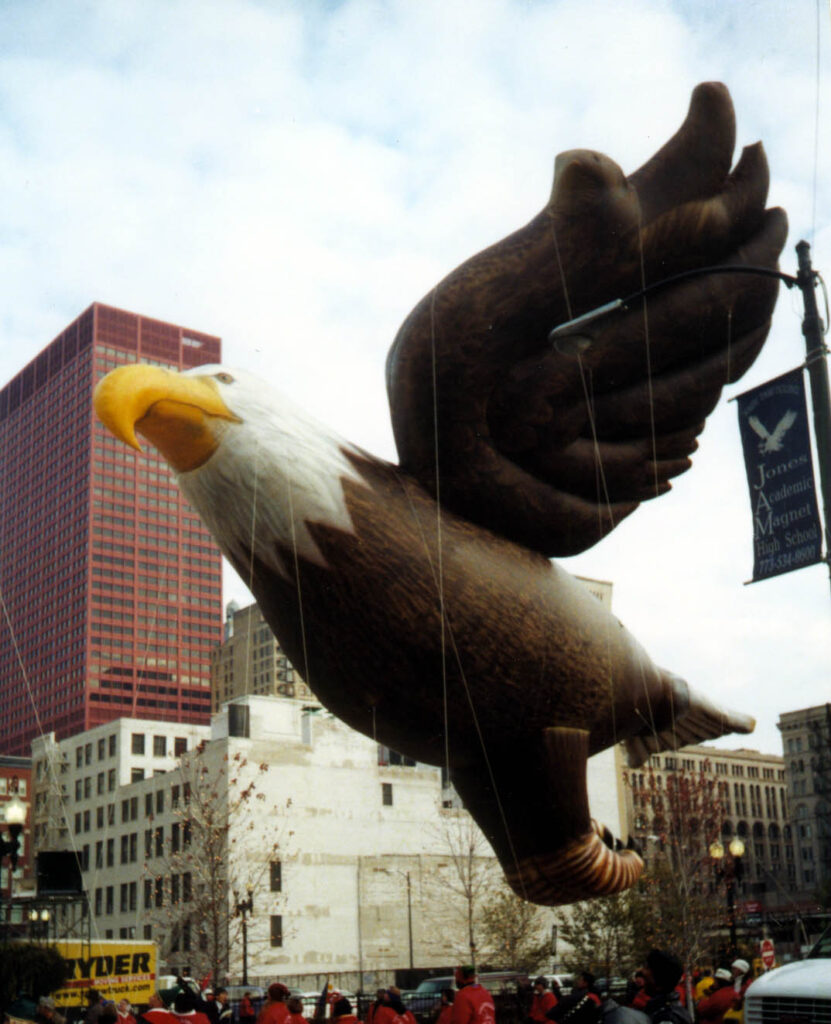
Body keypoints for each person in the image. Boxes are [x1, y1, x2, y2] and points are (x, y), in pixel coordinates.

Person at [640, 952, 691, 1024]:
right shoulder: (661, 1009)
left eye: (648, 968)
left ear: (660, 978)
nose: (643, 972)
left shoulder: (667, 1018)